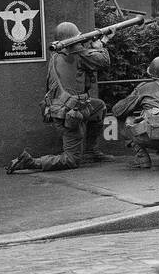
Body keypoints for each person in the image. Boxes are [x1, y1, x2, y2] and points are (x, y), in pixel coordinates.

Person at [7, 20, 113, 173]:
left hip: (60, 108)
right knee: (71, 159)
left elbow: (81, 56)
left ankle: (91, 151)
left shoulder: (58, 54)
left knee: (99, 106)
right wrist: (100, 44)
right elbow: (103, 62)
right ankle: (30, 162)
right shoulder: (78, 55)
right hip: (68, 114)